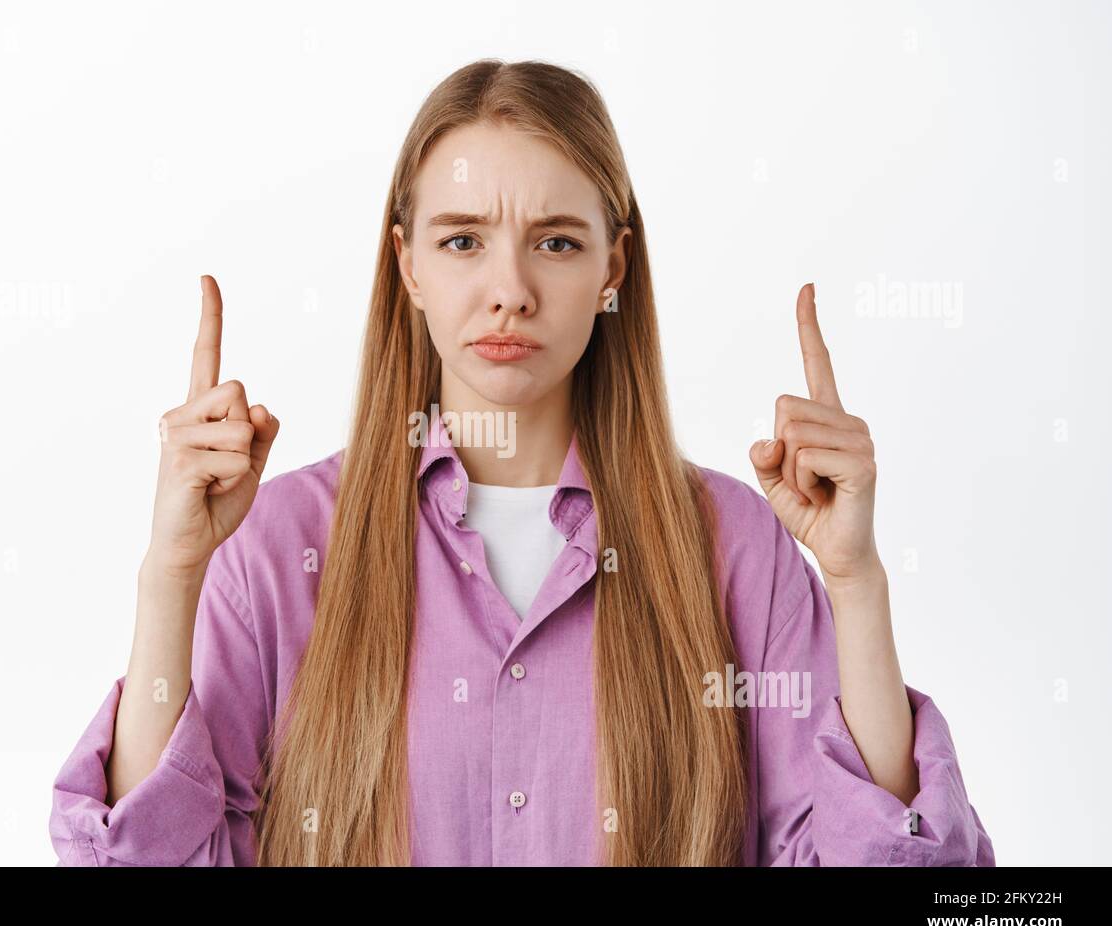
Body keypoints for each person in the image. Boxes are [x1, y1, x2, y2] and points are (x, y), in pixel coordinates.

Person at [49, 58, 994, 866]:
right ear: (409, 265)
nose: (509, 291)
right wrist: (169, 577)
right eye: (462, 240)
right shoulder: (279, 547)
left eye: (555, 242)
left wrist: (856, 581)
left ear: (613, 269)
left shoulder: (735, 547)